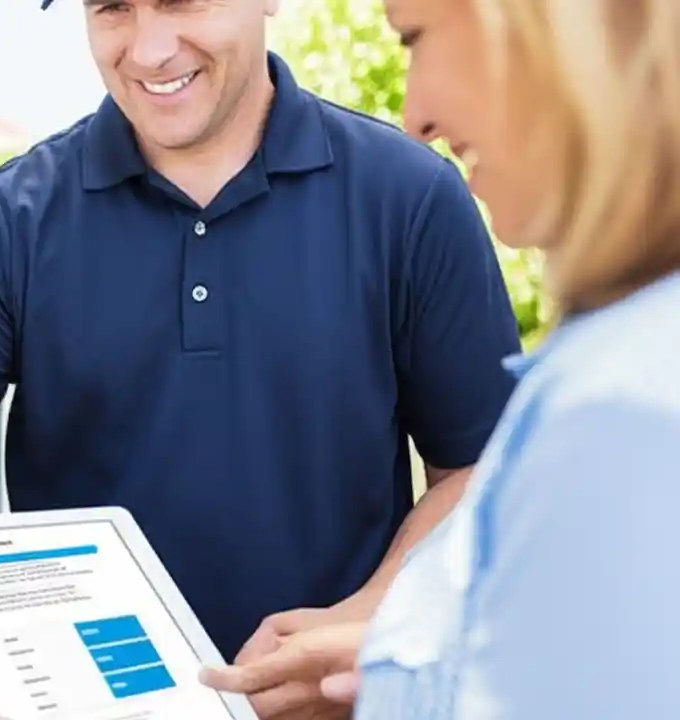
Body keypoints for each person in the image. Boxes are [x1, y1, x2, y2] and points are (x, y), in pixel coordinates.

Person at [0, 0, 521, 716]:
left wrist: (369, 618)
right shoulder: (9, 220)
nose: (148, 49)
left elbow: (482, 471)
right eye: (112, 7)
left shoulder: (410, 198)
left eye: (181, 0)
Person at [196, 0, 680, 718]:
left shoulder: (621, 409)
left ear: (552, 36)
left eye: (415, 38)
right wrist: (401, 673)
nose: (415, 111)